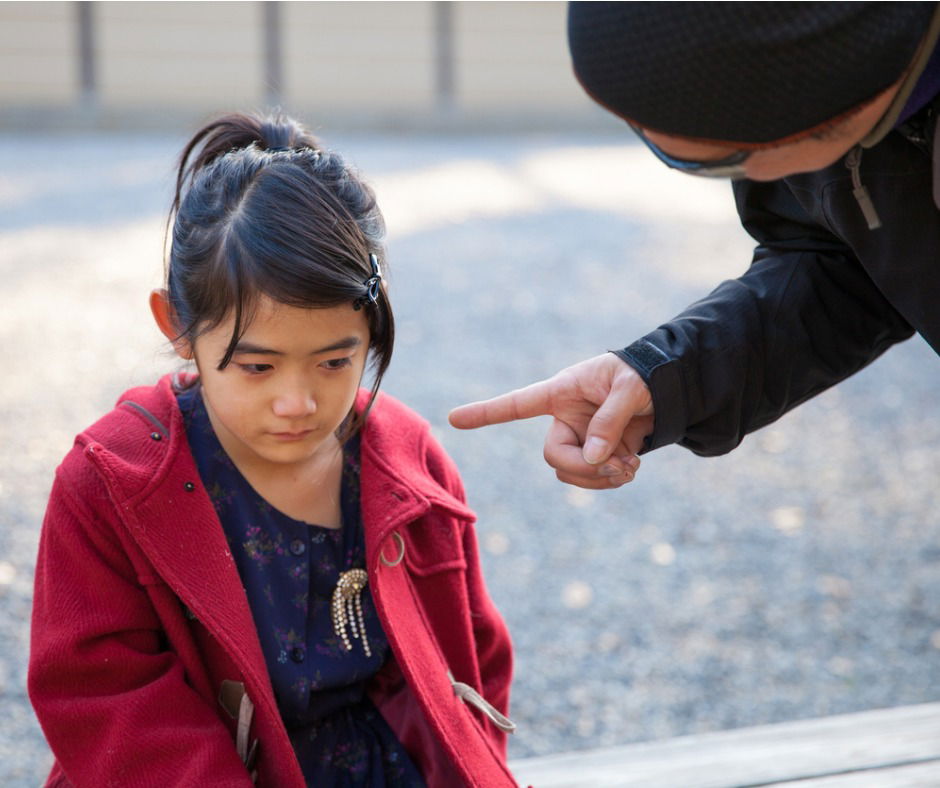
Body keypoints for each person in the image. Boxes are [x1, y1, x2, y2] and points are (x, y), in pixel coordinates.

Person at [28, 112, 516, 788]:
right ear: (177, 325)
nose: (298, 402)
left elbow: (473, 656)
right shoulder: (113, 482)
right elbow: (103, 697)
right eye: (257, 367)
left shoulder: (408, 462)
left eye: (334, 362)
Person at [449, 2, 940, 489]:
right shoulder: (798, 99)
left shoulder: (783, 69)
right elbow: (845, 262)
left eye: (737, 154)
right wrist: (664, 376)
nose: (753, 175)